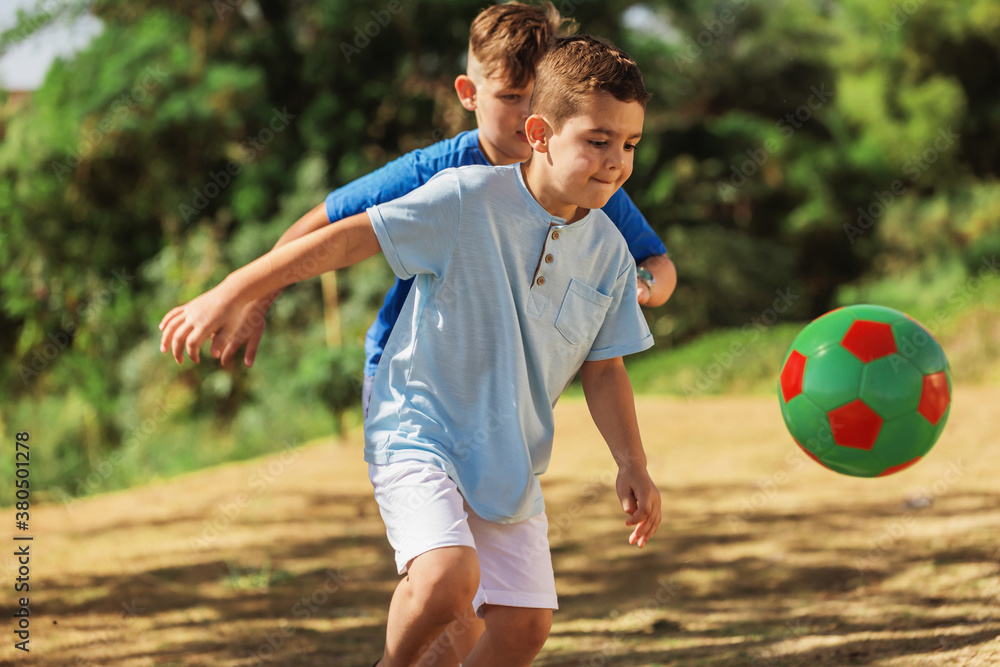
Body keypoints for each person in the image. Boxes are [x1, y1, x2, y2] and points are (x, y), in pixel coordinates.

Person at [159, 34, 662, 667]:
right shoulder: (464, 197)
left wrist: (632, 463)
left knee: (525, 626)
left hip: (508, 458)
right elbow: (344, 238)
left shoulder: (611, 250)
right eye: (598, 141)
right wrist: (236, 291)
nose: (616, 161)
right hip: (418, 427)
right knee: (449, 578)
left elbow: (605, 364)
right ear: (539, 132)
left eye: (630, 145)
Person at [208, 2, 677, 416]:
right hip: (409, 380)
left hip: (500, 395)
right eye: (510, 96)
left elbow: (657, 262)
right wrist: (256, 298)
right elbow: (326, 223)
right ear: (469, 93)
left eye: (536, 96)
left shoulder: (582, 177)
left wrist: (644, 287)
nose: (524, 113)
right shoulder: (436, 173)